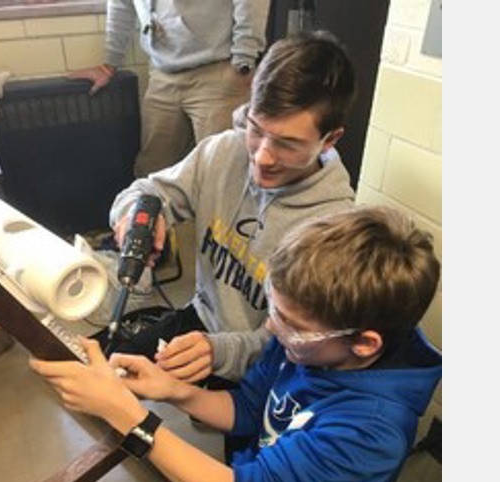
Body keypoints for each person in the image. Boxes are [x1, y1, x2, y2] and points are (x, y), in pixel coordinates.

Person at [30, 205, 442, 482]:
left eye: (290, 321)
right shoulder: (310, 340)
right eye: (274, 308)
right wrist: (175, 391)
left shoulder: (371, 430)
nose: (272, 327)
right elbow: (248, 409)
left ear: (364, 344)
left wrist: (130, 419)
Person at [105, 30, 358, 392]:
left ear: (329, 139)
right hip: (203, 317)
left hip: (266, 364)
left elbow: (297, 344)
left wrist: (219, 353)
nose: (262, 157)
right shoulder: (223, 151)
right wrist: (135, 215)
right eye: (256, 129)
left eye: (287, 143)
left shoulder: (333, 231)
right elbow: (146, 191)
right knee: (108, 368)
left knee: (236, 447)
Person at [69, 0, 270, 177]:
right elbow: (122, 4)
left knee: (221, 172)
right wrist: (109, 65)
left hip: (218, 71)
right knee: (152, 169)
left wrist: (244, 60)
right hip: (163, 73)